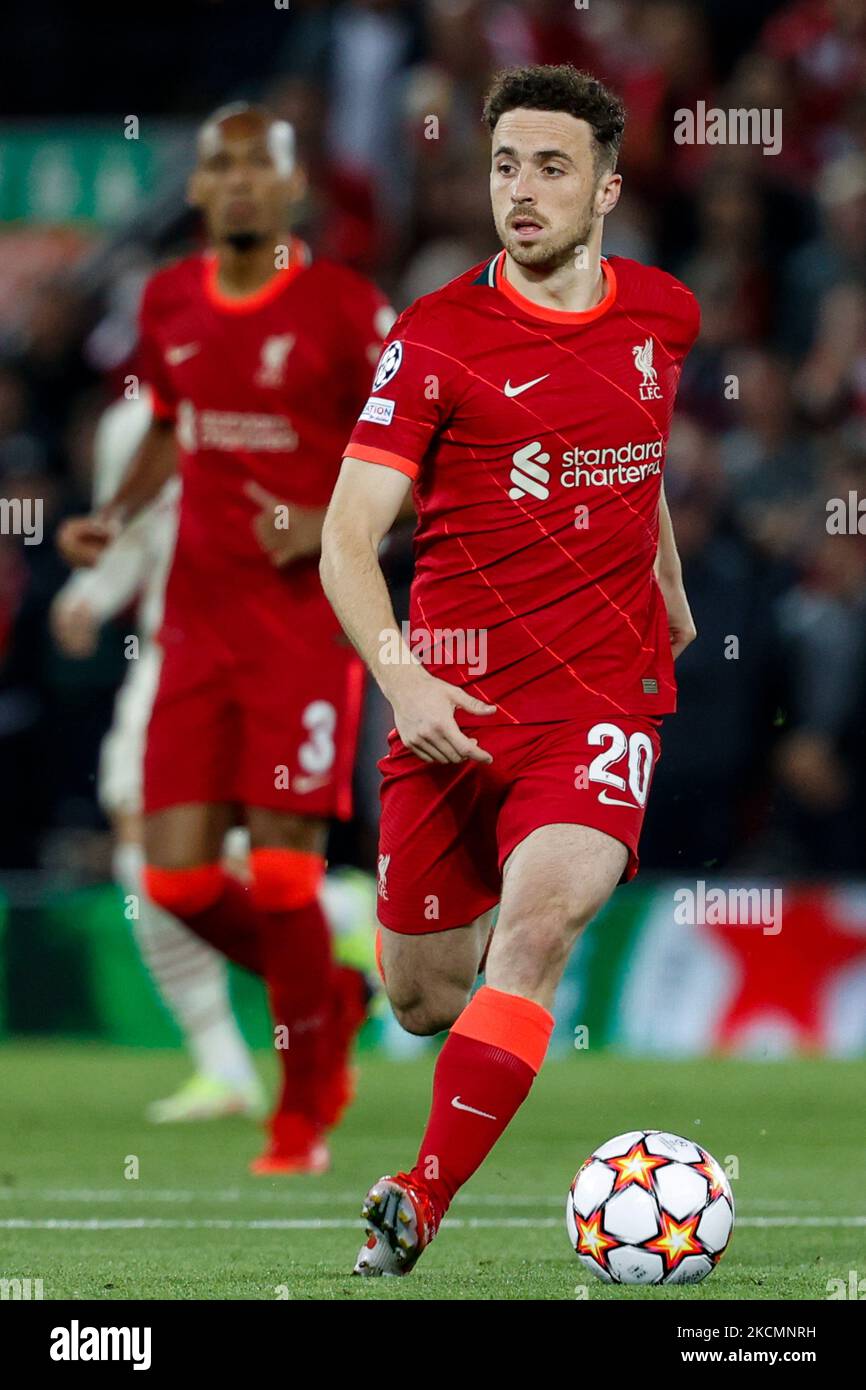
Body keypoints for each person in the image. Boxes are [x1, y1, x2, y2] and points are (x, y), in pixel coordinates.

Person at [320, 63, 700, 1274]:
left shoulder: (664, 316)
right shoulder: (432, 338)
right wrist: (405, 681)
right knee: (424, 997)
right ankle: (489, 1030)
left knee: (533, 938)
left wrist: (669, 583)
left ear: (605, 191)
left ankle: (415, 1201)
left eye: (549, 167)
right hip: (448, 706)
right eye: (502, 165)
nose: (521, 191)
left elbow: (630, 464)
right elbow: (342, 539)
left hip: (598, 699)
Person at [58, 103, 392, 1174]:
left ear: (292, 188)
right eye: (222, 169)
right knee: (175, 883)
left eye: (262, 169)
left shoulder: (344, 310)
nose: (241, 185)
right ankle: (332, 990)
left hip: (299, 631)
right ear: (198, 190)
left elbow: (415, 451)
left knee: (287, 882)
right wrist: (117, 511)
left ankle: (302, 1112)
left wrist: (323, 524)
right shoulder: (167, 302)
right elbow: (169, 419)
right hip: (194, 635)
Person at [52, 395, 264, 1124]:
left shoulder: (289, 389)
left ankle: (348, 921)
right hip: (169, 658)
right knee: (157, 856)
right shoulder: (132, 424)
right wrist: (91, 593)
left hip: (269, 659)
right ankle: (224, 1065)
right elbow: (136, 540)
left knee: (220, 856)